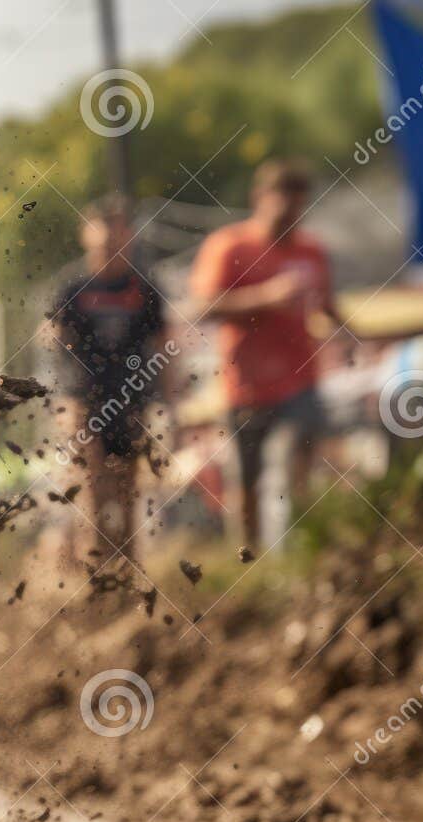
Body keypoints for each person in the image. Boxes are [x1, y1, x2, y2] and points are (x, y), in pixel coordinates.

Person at [191, 159, 342, 550]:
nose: (291, 218)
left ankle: (297, 555)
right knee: (247, 482)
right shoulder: (230, 246)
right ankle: (248, 561)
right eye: (283, 209)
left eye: (298, 209)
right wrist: (267, 297)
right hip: (247, 386)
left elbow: (327, 308)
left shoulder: (312, 251)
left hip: (302, 381)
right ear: (260, 198)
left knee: (296, 465)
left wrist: (349, 334)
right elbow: (203, 307)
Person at [49, 196, 169, 566]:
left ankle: (127, 576)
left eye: (118, 240)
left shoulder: (146, 290)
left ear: (129, 239)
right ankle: (93, 577)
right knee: (94, 490)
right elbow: (53, 339)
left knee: (129, 493)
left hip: (131, 401)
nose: (111, 248)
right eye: (104, 242)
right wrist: (66, 407)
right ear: (87, 238)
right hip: (84, 402)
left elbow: (163, 346)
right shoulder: (72, 290)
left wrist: (169, 401)